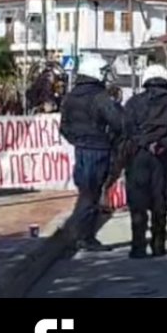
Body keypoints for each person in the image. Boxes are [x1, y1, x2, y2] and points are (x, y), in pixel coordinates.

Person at [59, 56, 124, 252]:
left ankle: (83, 235)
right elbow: (118, 122)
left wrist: (79, 141)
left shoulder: (71, 96)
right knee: (91, 195)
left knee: (87, 192)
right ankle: (82, 236)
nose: (106, 76)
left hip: (82, 150)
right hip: (99, 151)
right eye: (103, 72)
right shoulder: (100, 97)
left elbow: (64, 127)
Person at [123, 65, 167, 258]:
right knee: (160, 202)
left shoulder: (134, 102)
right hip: (161, 157)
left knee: (138, 202)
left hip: (137, 156)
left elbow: (124, 129)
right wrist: (163, 144)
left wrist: (140, 143)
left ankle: (138, 246)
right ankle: (158, 245)